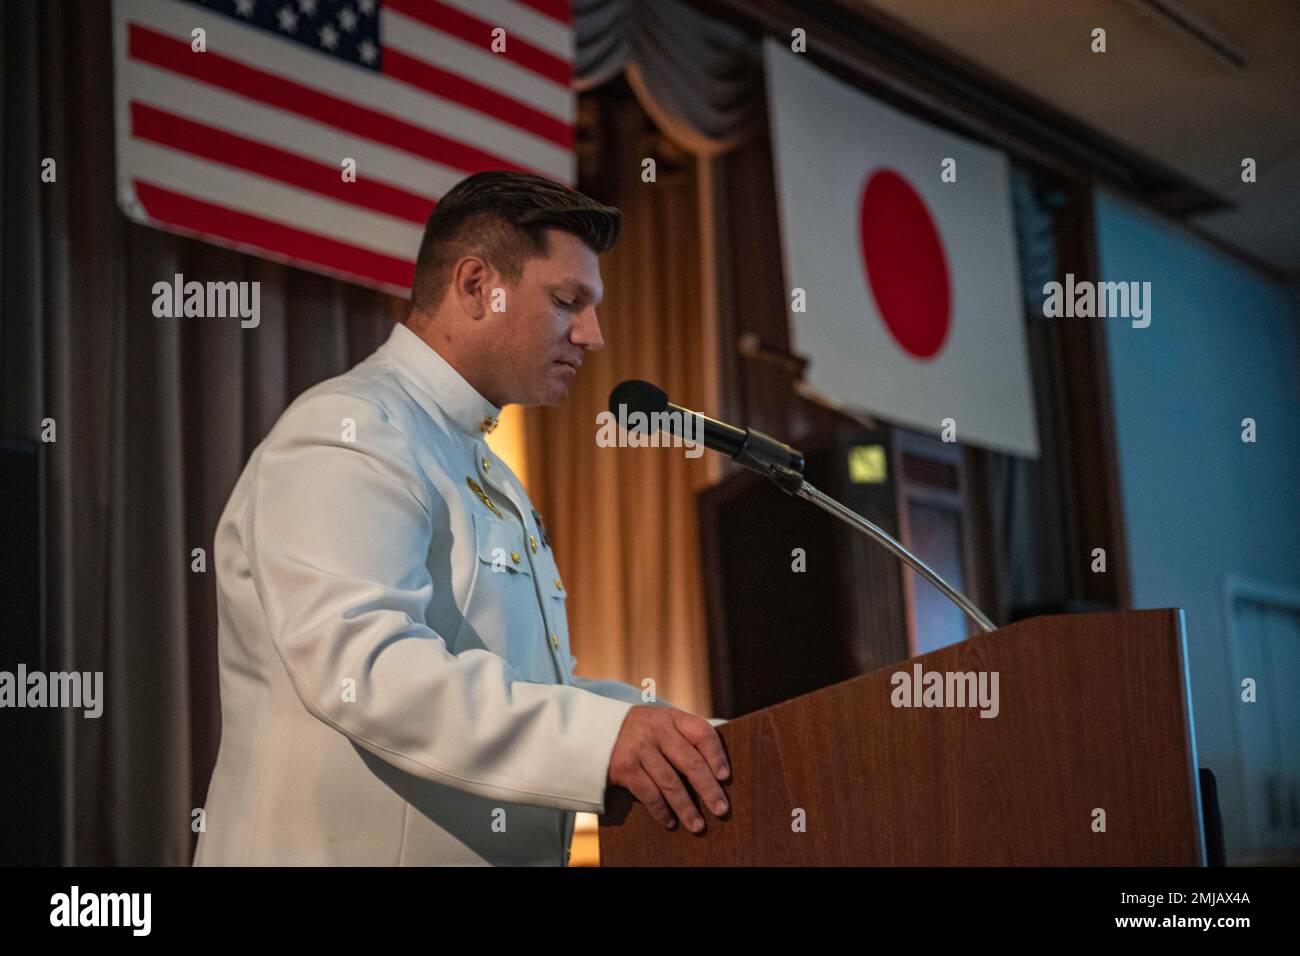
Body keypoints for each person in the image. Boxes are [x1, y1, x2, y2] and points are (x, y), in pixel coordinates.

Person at [193, 171, 730, 866]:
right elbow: (369, 668)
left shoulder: (483, 464)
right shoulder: (352, 427)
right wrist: (601, 737)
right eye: (568, 301)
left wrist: (687, 736)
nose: (593, 336)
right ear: (478, 287)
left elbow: (536, 694)